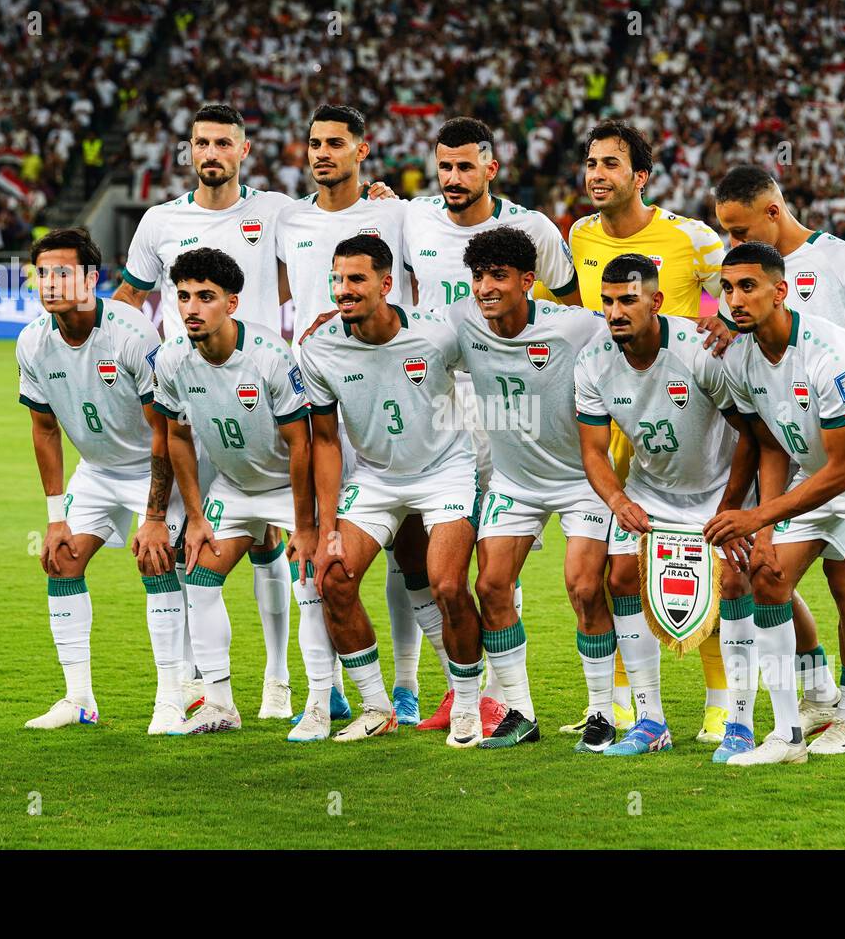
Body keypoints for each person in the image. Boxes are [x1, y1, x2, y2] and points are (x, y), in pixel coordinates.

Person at [713, 165, 845, 752]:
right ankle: (802, 715)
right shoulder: (744, 311)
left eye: (738, 229)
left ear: (772, 212)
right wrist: (763, 515)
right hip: (808, 446)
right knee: (769, 574)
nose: (732, 244)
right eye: (725, 234)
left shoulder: (841, 261)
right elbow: (769, 435)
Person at [115, 103, 299, 721]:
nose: (211, 152)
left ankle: (279, 679)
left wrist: (379, 198)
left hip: (266, 400)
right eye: (201, 143)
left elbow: (336, 229)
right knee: (185, 542)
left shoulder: (276, 210)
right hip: (187, 396)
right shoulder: (160, 220)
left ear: (244, 150)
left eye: (223, 142)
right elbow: (131, 297)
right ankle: (189, 690)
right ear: (188, 150)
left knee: (272, 542)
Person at [568, 120, 733, 741]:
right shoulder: (580, 236)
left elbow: (739, 301)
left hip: (692, 425)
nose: (596, 175)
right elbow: (571, 314)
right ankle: (623, 705)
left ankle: (720, 701)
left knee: (700, 564)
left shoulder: (690, 238)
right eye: (590, 164)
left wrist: (728, 327)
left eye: (610, 164)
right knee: (610, 577)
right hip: (614, 420)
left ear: (640, 176)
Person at [277, 104, 437, 728]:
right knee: (314, 542)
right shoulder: (288, 218)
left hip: (387, 397)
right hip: (315, 394)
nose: (322, 153)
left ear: (362, 149)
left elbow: (422, 284)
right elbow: (284, 294)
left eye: (335, 143)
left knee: (409, 549)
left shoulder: (395, 213)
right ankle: (326, 689)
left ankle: (404, 686)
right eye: (313, 143)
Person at [298, 235, 486, 745]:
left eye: (356, 279)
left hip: (446, 470)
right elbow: (327, 441)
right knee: (332, 578)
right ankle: (378, 707)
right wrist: (324, 526)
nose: (343, 289)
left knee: (447, 584)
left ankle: (468, 705)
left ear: (386, 285)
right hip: (378, 477)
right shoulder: (319, 348)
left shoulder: (438, 333)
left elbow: (495, 365)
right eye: (337, 279)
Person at [574, 253, 755, 757]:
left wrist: (733, 510)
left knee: (736, 580)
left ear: (655, 301)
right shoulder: (592, 362)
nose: (615, 312)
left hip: (720, 487)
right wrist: (616, 498)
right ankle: (651, 721)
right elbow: (592, 449)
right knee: (620, 579)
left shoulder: (699, 350)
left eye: (628, 300)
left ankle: (739, 722)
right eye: (608, 301)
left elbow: (752, 438)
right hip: (650, 490)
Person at [445, 226, 612, 750]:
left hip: (580, 479)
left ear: (528, 281)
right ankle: (520, 712)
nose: (485, 287)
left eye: (498, 276)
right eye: (477, 276)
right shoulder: (461, 320)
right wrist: (339, 318)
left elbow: (635, 330)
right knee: (491, 586)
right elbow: (401, 332)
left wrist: (709, 326)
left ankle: (602, 712)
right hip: (515, 482)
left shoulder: (575, 326)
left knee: (585, 588)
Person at [15, 228, 186, 734]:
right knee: (61, 562)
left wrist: (154, 517)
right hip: (96, 472)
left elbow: (167, 431)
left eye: (63, 272)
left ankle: (172, 700)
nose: (51, 283)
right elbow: (43, 429)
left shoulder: (131, 334)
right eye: (42, 273)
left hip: (153, 467)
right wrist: (54, 518)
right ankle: (79, 699)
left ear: (91, 278)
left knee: (157, 565)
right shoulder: (32, 343)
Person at [151, 247, 320, 737]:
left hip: (288, 488)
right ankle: (220, 705)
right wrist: (197, 515)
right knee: (200, 581)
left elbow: (301, 441)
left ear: (232, 303)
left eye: (205, 297)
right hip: (235, 487)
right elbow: (177, 435)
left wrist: (304, 522)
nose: (191, 308)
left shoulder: (269, 356)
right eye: (183, 297)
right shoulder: (172, 358)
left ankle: (316, 701)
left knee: (310, 585)